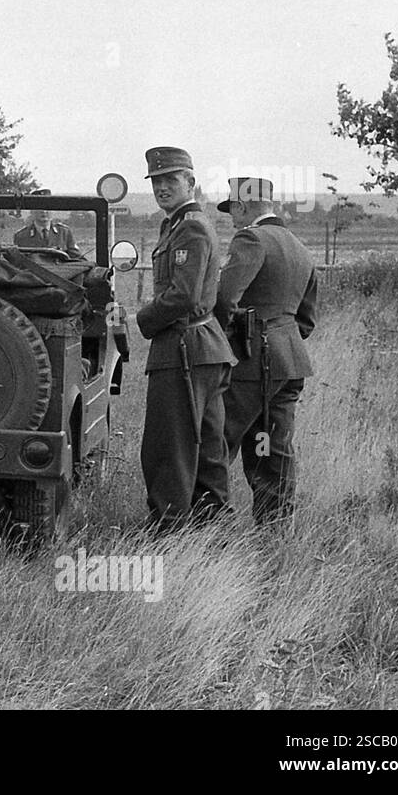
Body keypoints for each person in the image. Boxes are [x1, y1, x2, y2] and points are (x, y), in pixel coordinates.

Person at [134, 146, 236, 535]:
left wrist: (139, 318)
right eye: (156, 181)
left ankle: (168, 531)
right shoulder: (177, 224)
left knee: (169, 444)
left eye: (170, 180)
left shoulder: (190, 226)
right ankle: (213, 530)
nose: (162, 187)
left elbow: (184, 296)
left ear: (190, 182)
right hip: (200, 346)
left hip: (184, 347)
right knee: (208, 446)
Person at [214, 177, 319, 525]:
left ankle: (205, 529)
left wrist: (224, 341)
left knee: (216, 443)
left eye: (232, 209)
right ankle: (274, 534)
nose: (231, 217)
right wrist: (280, 336)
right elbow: (306, 320)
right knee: (274, 452)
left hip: (251, 361)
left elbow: (224, 299)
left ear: (243, 207)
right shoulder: (299, 247)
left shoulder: (251, 238)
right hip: (290, 364)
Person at [13, 208, 81, 256]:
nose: (44, 211)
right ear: (32, 211)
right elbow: (17, 264)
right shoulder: (21, 236)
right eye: (39, 207)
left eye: (47, 207)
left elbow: (77, 257)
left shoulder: (64, 232)